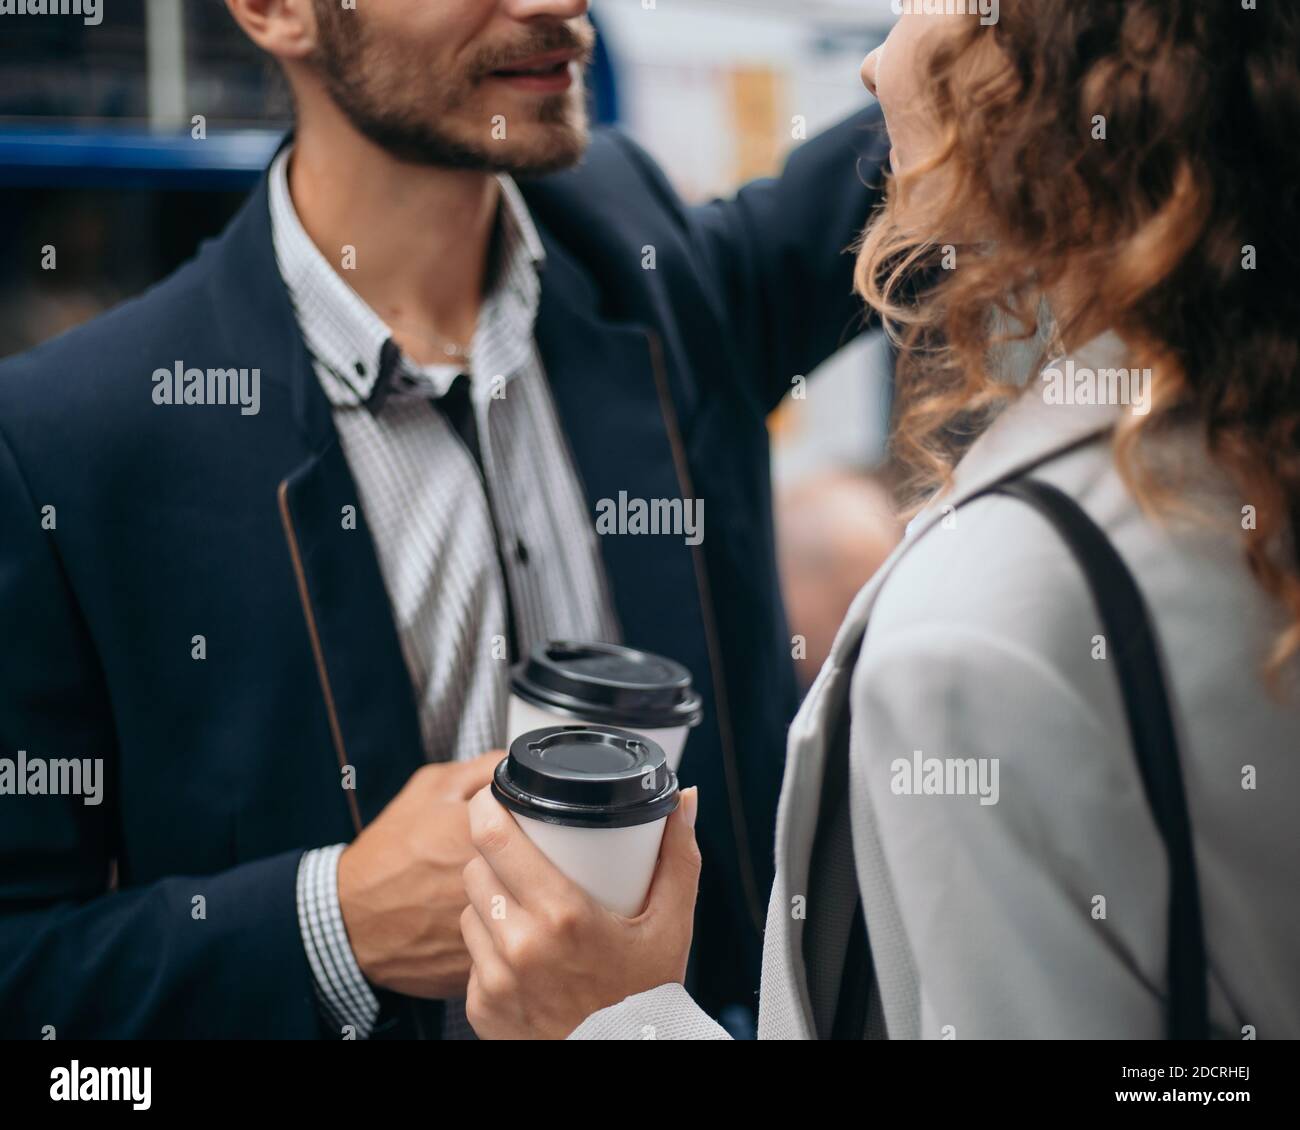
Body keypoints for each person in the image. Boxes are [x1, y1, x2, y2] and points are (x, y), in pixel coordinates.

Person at [0, 0, 888, 1037]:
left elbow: (951, 139)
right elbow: (25, 968)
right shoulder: (76, 443)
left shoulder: (652, 271)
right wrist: (333, 920)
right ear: (275, 12)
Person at [459, 1, 1300, 1039]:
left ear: (1046, 68)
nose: (867, 65)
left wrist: (608, 1021)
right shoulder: (1240, 440)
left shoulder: (979, 632)